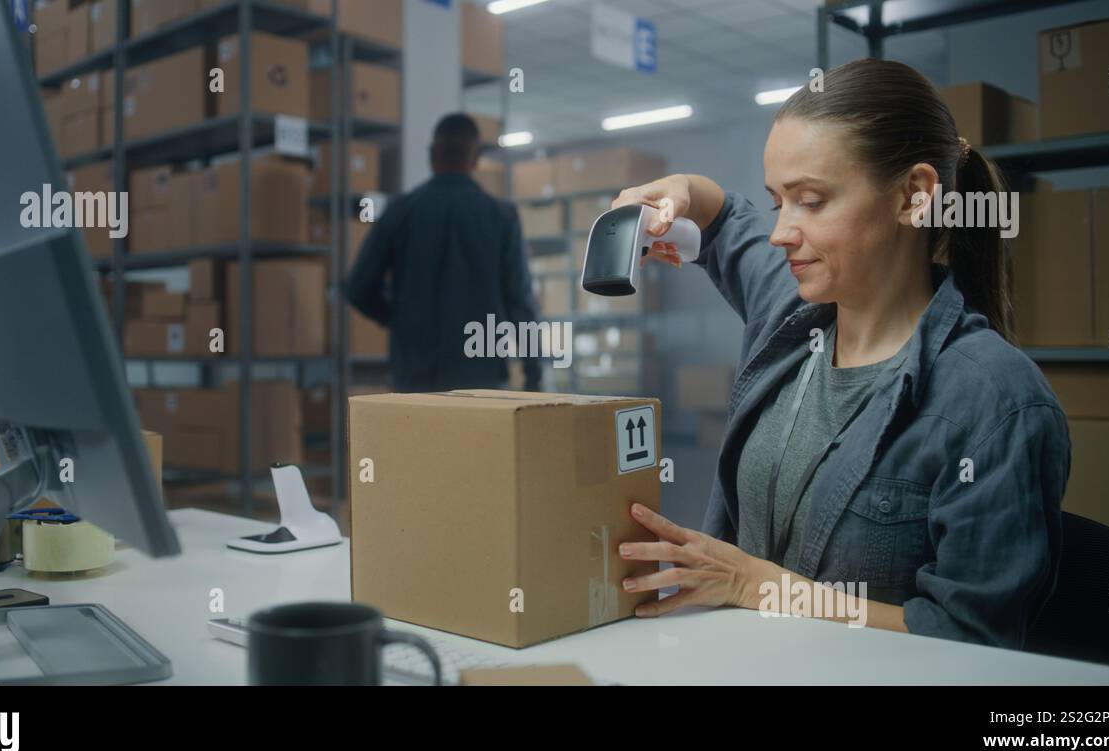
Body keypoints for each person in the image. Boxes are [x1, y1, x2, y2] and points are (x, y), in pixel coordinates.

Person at [614, 58, 1069, 649]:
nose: (781, 231)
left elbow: (969, 636)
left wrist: (758, 586)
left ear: (914, 196)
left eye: (811, 200)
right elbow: (723, 216)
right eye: (779, 201)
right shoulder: (793, 305)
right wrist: (679, 194)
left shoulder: (997, 403)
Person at [345, 113, 543, 392]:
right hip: (482, 379)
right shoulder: (501, 217)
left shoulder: (402, 211)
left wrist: (398, 318)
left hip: (415, 377)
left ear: (431, 154)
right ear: (476, 157)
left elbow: (357, 288)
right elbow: (520, 303)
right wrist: (533, 373)